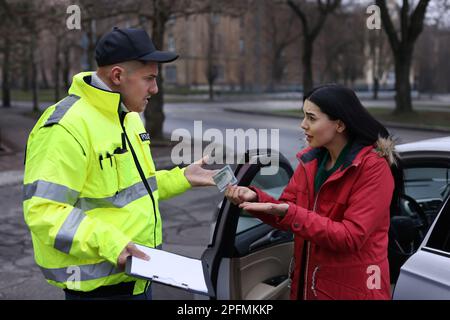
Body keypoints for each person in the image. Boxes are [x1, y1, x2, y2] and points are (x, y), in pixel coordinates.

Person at [23, 27, 217, 300]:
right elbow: (43, 211)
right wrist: (112, 244)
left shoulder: (128, 116)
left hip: (139, 278)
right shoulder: (65, 126)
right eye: (149, 79)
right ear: (117, 76)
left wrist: (182, 177)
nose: (155, 88)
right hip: (99, 291)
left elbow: (134, 188)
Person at [225, 84, 397, 300]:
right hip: (308, 289)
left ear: (340, 125)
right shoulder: (311, 162)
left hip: (352, 292)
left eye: (311, 118)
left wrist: (288, 212)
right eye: (303, 116)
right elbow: (288, 212)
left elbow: (351, 237)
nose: (303, 125)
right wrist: (256, 197)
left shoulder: (372, 167)